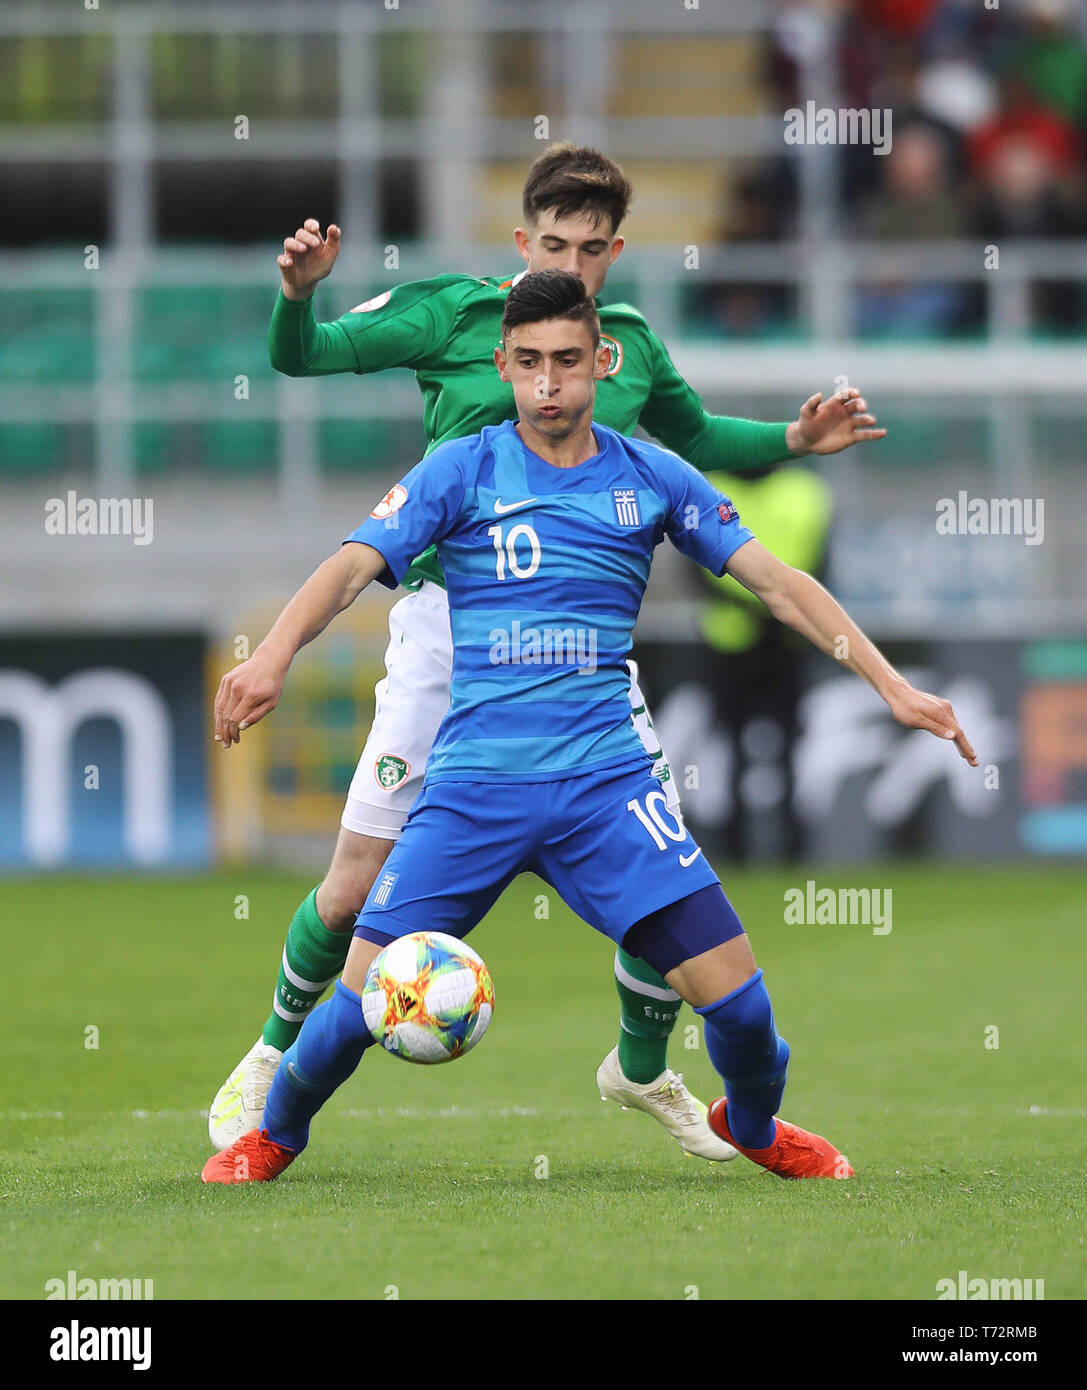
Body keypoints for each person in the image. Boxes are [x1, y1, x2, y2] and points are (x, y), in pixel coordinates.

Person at [203, 270, 974, 1185]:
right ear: (503, 363)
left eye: (566, 362)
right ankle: (273, 1137)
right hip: (473, 789)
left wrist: (889, 685)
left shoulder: (650, 475)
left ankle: (755, 1125)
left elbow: (775, 582)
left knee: (745, 1017)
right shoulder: (461, 467)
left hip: (608, 791)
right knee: (359, 1004)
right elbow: (347, 567)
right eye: (527, 363)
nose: (547, 384)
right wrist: (271, 657)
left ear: (600, 362)